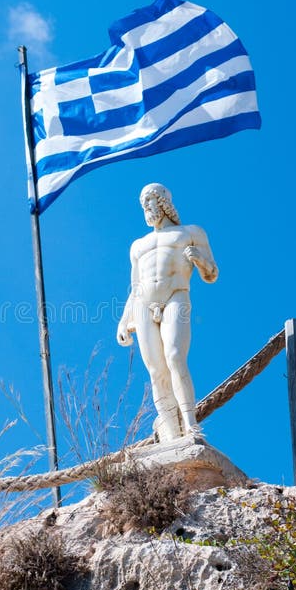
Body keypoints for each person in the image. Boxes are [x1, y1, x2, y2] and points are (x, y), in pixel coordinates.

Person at [117, 183, 218, 442]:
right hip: (143, 305)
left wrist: (199, 258)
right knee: (155, 370)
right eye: (143, 204)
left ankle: (192, 426)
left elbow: (212, 274)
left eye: (150, 202)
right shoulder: (138, 245)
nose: (147, 208)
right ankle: (173, 436)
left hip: (176, 296)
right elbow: (135, 285)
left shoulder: (190, 232)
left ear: (163, 203)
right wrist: (123, 319)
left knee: (174, 356)